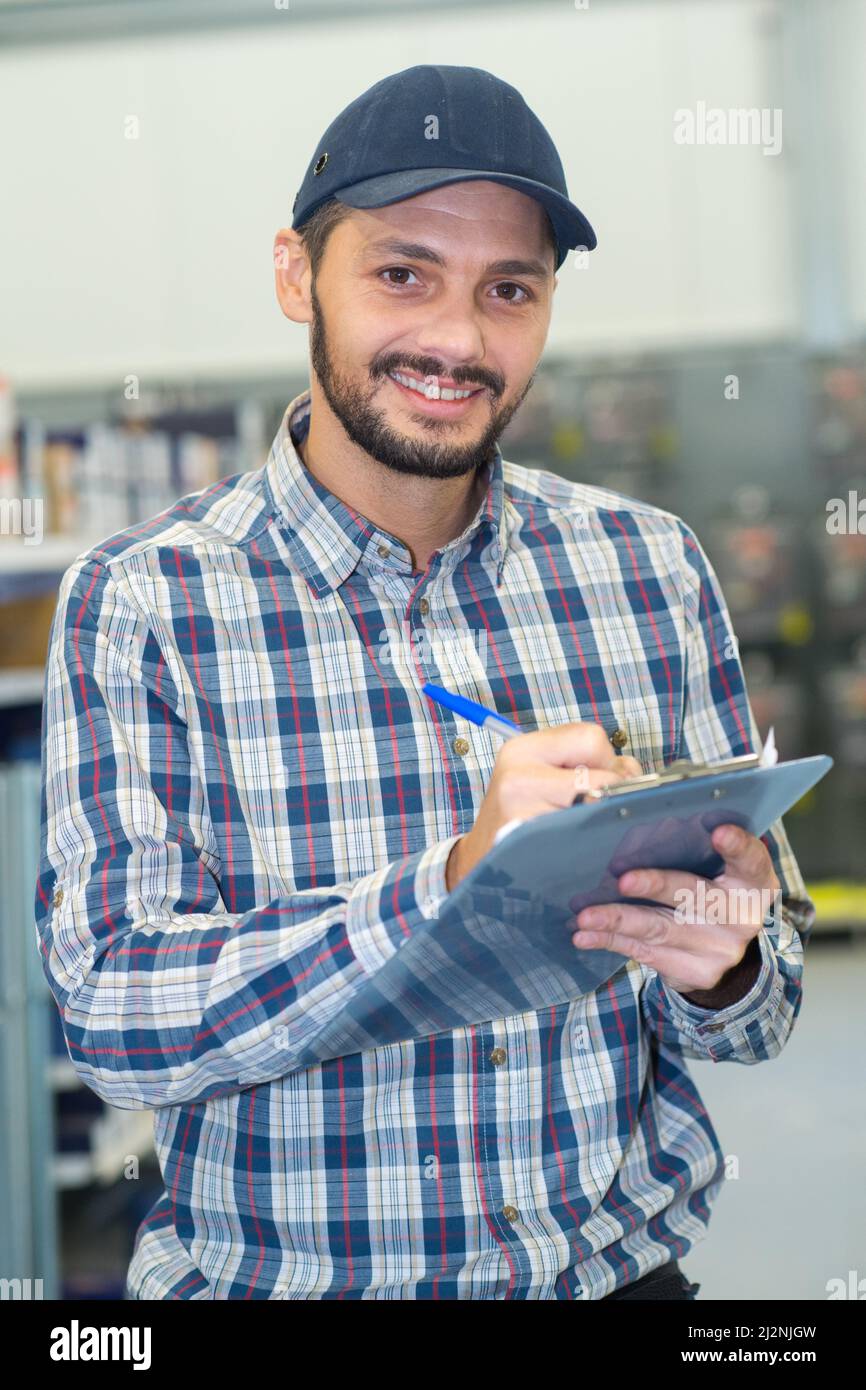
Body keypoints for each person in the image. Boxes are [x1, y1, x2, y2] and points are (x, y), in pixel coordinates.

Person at [36, 65, 813, 1301]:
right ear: (298, 274)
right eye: (402, 275)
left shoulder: (644, 565)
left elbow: (758, 1002)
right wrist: (450, 887)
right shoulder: (146, 603)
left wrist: (724, 965)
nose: (457, 340)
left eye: (508, 290)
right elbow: (119, 1016)